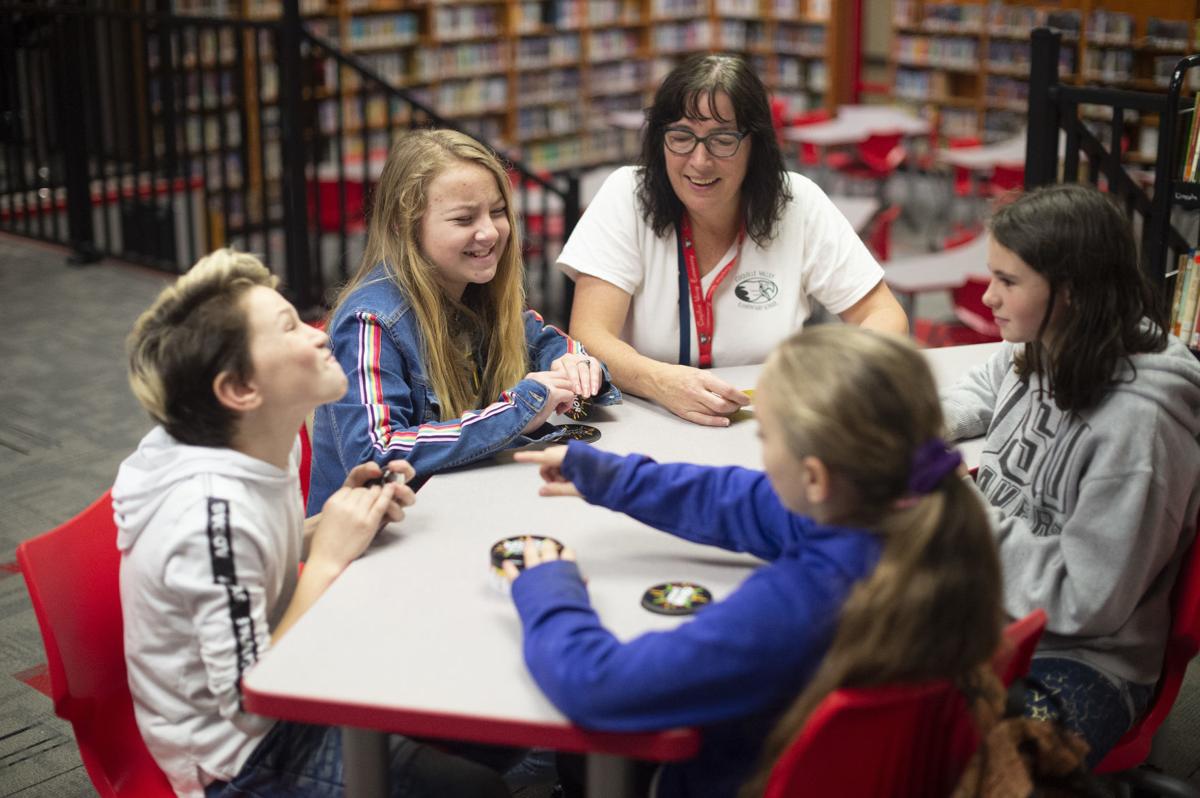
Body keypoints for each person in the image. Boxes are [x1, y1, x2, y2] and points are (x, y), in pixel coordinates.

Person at [505, 326, 1000, 798]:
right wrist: (615, 479)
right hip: (876, 778)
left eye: (765, 438)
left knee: (590, 758)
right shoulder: (924, 517)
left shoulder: (797, 605)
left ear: (814, 479)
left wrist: (547, 588)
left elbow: (600, 686)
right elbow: (745, 501)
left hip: (738, 780)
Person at [114, 249, 511, 798]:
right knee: (474, 788)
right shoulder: (207, 518)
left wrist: (328, 524)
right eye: (289, 329)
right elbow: (252, 698)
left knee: (483, 692)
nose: (320, 333)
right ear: (240, 390)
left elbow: (258, 551)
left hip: (283, 682)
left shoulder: (258, 443)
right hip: (240, 758)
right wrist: (327, 558)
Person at [940, 183, 1200, 767]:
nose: (987, 297)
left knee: (972, 765)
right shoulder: (1047, 340)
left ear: (1072, 292)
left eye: (1008, 282)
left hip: (1083, 658)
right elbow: (986, 382)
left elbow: (1087, 600)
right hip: (994, 603)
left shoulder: (1140, 428)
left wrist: (964, 513)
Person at [558, 54, 908, 427]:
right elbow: (590, 335)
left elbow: (885, 314)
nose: (699, 161)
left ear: (755, 144)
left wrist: (837, 378)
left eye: (722, 140)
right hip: (647, 420)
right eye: (680, 138)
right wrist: (662, 381)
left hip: (768, 428)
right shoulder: (626, 195)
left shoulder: (798, 203)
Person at [308, 129, 619, 512]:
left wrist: (576, 364)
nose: (489, 232)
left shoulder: (472, 288)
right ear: (402, 227)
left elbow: (541, 340)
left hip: (463, 512)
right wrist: (516, 412)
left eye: (498, 211)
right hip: (376, 545)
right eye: (463, 219)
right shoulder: (369, 322)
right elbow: (375, 453)